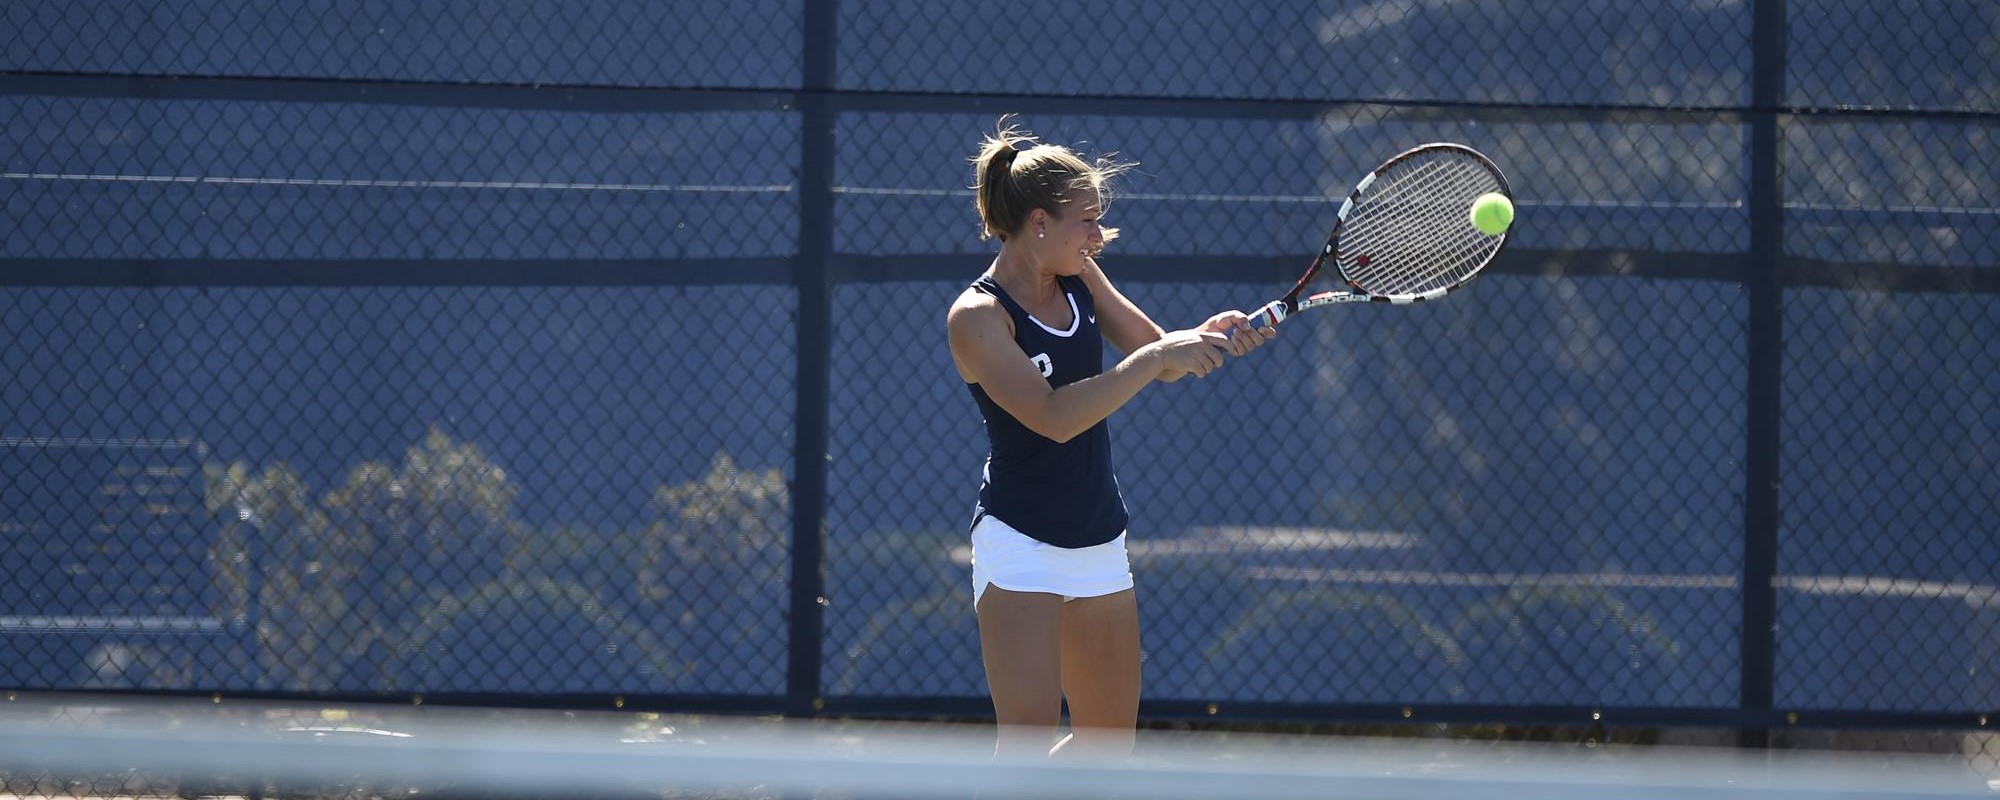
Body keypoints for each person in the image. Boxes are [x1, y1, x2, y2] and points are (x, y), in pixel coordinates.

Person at [945, 117, 1274, 762]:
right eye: (1088, 222)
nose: (1099, 236)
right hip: (1019, 539)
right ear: (1039, 223)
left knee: (1106, 746)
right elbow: (1055, 416)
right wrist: (1156, 361)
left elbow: (1156, 354)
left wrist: (1209, 337)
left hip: (1098, 534)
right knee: (1026, 743)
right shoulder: (976, 318)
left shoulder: (1080, 277)